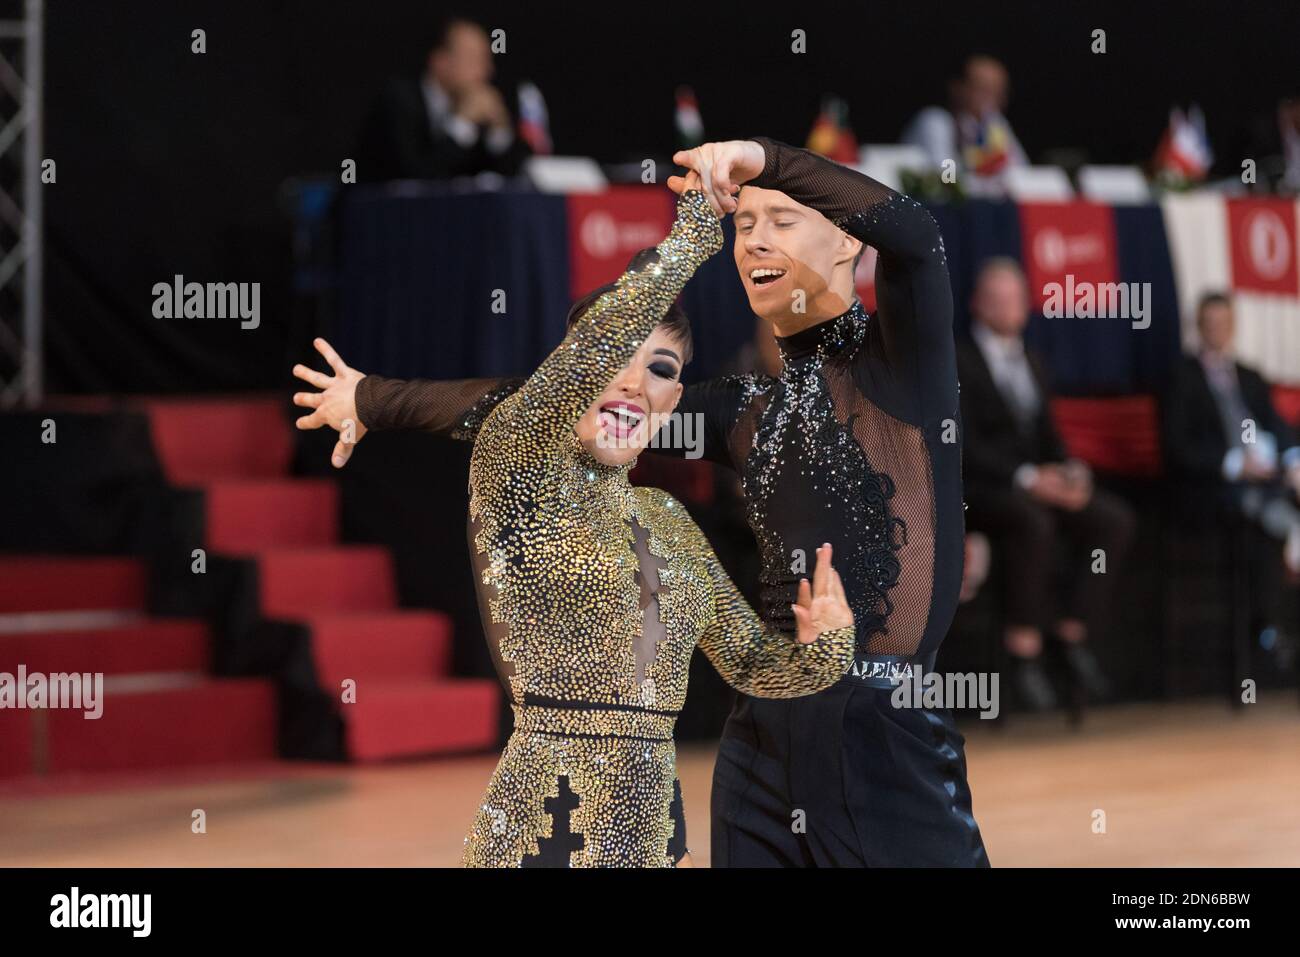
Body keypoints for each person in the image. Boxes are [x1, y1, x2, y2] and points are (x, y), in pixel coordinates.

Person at [299, 137, 988, 867]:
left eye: (782, 219)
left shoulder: (903, 368)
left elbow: (915, 233)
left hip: (889, 739)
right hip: (765, 739)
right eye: (744, 224)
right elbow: (565, 403)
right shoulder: (740, 409)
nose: (754, 239)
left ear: (850, 240)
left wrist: (762, 159)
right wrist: (375, 398)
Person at [957, 258, 1135, 711]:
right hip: (981, 490)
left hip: (1039, 483)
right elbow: (962, 444)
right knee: (1033, 523)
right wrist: (1030, 479)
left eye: (1015, 297)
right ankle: (1024, 648)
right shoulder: (958, 359)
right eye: (997, 298)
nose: (1007, 307)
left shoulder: (1032, 359)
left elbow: (1048, 436)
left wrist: (1069, 470)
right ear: (978, 304)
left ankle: (1070, 635)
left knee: (1112, 520)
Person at [1162, 292, 1300, 586]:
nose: (1217, 330)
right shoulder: (1181, 378)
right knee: (1256, 510)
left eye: (1223, 323)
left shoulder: (1250, 376)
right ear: (1199, 326)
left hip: (1266, 472)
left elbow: (1276, 423)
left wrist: (1293, 462)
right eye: (1210, 323)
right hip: (1212, 483)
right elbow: (1178, 446)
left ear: (1232, 326)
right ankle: (1264, 625)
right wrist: (1236, 464)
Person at [355, 17, 530, 182]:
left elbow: (505, 182)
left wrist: (499, 131)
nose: (487, 71)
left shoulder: (478, 112)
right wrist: (462, 124)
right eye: (474, 59)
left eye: (487, 60)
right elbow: (412, 178)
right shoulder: (398, 101)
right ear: (440, 61)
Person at [901, 55, 1027, 192]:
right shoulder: (936, 121)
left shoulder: (995, 125)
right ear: (957, 87)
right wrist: (994, 184)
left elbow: (1023, 175)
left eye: (997, 92)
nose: (990, 100)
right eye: (982, 89)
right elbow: (947, 178)